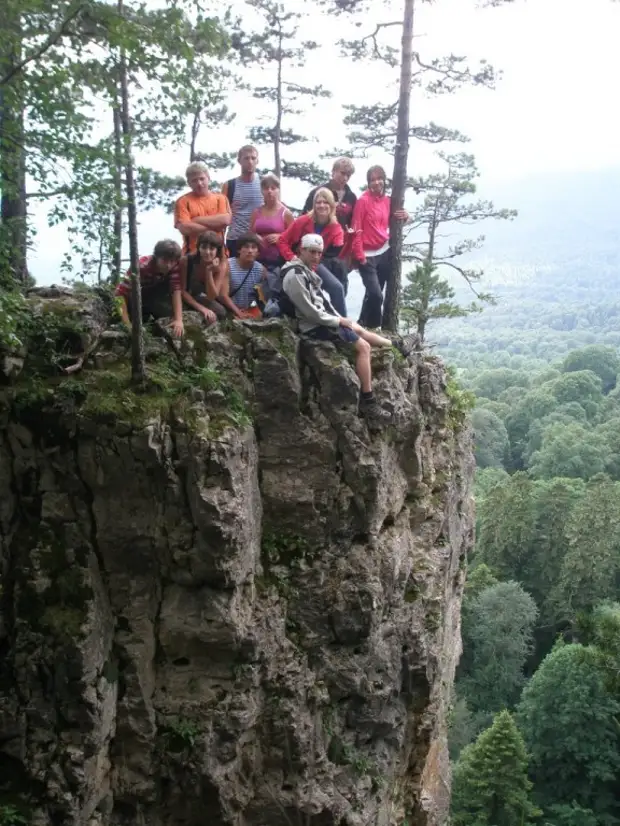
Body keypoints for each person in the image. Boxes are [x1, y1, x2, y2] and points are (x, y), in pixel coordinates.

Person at [282, 234, 393, 424]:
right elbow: (310, 311)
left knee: (357, 328)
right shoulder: (295, 275)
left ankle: (394, 344)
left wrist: (341, 319)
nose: (316, 256)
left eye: (319, 253)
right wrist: (337, 321)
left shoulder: (306, 270)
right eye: (312, 252)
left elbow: (322, 303)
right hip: (314, 328)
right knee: (364, 347)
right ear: (301, 250)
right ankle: (369, 400)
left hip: (323, 321)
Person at [351, 165, 409, 330]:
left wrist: (406, 216)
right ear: (368, 183)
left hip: (384, 252)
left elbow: (398, 219)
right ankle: (375, 327)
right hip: (367, 255)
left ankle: (362, 323)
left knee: (373, 293)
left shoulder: (388, 201)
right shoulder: (363, 201)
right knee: (376, 295)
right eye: (372, 180)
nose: (376, 182)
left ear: (384, 180)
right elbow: (356, 229)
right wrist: (359, 255)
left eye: (379, 178)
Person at [277, 188, 347, 316]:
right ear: (314, 205)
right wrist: (291, 257)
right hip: (297, 262)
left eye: (326, 202)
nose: (322, 205)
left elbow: (339, 252)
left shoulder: (336, 227)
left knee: (337, 288)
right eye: (318, 202)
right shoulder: (302, 221)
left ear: (332, 205)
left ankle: (344, 325)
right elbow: (282, 240)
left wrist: (351, 238)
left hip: (316, 264)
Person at [115, 240, 184, 338]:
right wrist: (127, 324)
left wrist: (178, 320)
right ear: (156, 257)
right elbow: (120, 294)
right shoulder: (141, 266)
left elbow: (176, 290)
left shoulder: (175, 267)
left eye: (172, 261)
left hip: (156, 295)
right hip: (137, 298)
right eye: (164, 260)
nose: (168, 265)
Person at [174, 162, 231, 257]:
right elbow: (185, 228)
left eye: (202, 179)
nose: (199, 183)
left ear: (208, 178)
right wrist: (215, 228)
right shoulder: (183, 201)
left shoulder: (221, 199)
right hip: (192, 255)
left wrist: (196, 220)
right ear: (189, 183)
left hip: (219, 254)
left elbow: (225, 220)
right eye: (194, 180)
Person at [222, 145, 264, 258]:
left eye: (253, 158)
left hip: (258, 239)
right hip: (235, 239)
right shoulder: (229, 185)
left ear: (257, 161)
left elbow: (276, 210)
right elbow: (222, 216)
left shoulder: (265, 184)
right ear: (239, 161)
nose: (250, 161)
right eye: (246, 158)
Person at [178, 231, 227, 326]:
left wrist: (209, 271)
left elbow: (212, 296)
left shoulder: (222, 265)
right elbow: (182, 291)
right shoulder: (186, 261)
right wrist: (202, 309)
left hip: (201, 296)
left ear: (217, 250)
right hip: (184, 296)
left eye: (211, 249)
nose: (207, 252)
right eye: (203, 248)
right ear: (198, 248)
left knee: (221, 312)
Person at [250, 172, 294, 270]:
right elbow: (250, 235)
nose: (269, 191)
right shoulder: (256, 212)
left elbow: (295, 238)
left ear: (278, 190)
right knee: (257, 285)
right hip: (257, 260)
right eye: (266, 188)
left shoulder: (286, 213)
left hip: (278, 261)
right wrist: (256, 238)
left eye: (273, 188)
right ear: (262, 191)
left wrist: (281, 237)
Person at [217, 232, 267, 319]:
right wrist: (238, 312)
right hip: (228, 308)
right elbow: (223, 295)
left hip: (248, 309)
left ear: (258, 252)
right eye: (246, 247)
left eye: (253, 247)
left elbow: (260, 296)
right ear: (239, 250)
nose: (250, 251)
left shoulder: (261, 269)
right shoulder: (228, 265)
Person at [303, 157, 357, 232]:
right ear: (333, 171)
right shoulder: (317, 192)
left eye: (348, 175)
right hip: (319, 240)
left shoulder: (351, 197)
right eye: (342, 173)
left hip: (343, 241)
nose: (345, 178)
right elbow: (305, 218)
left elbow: (353, 222)